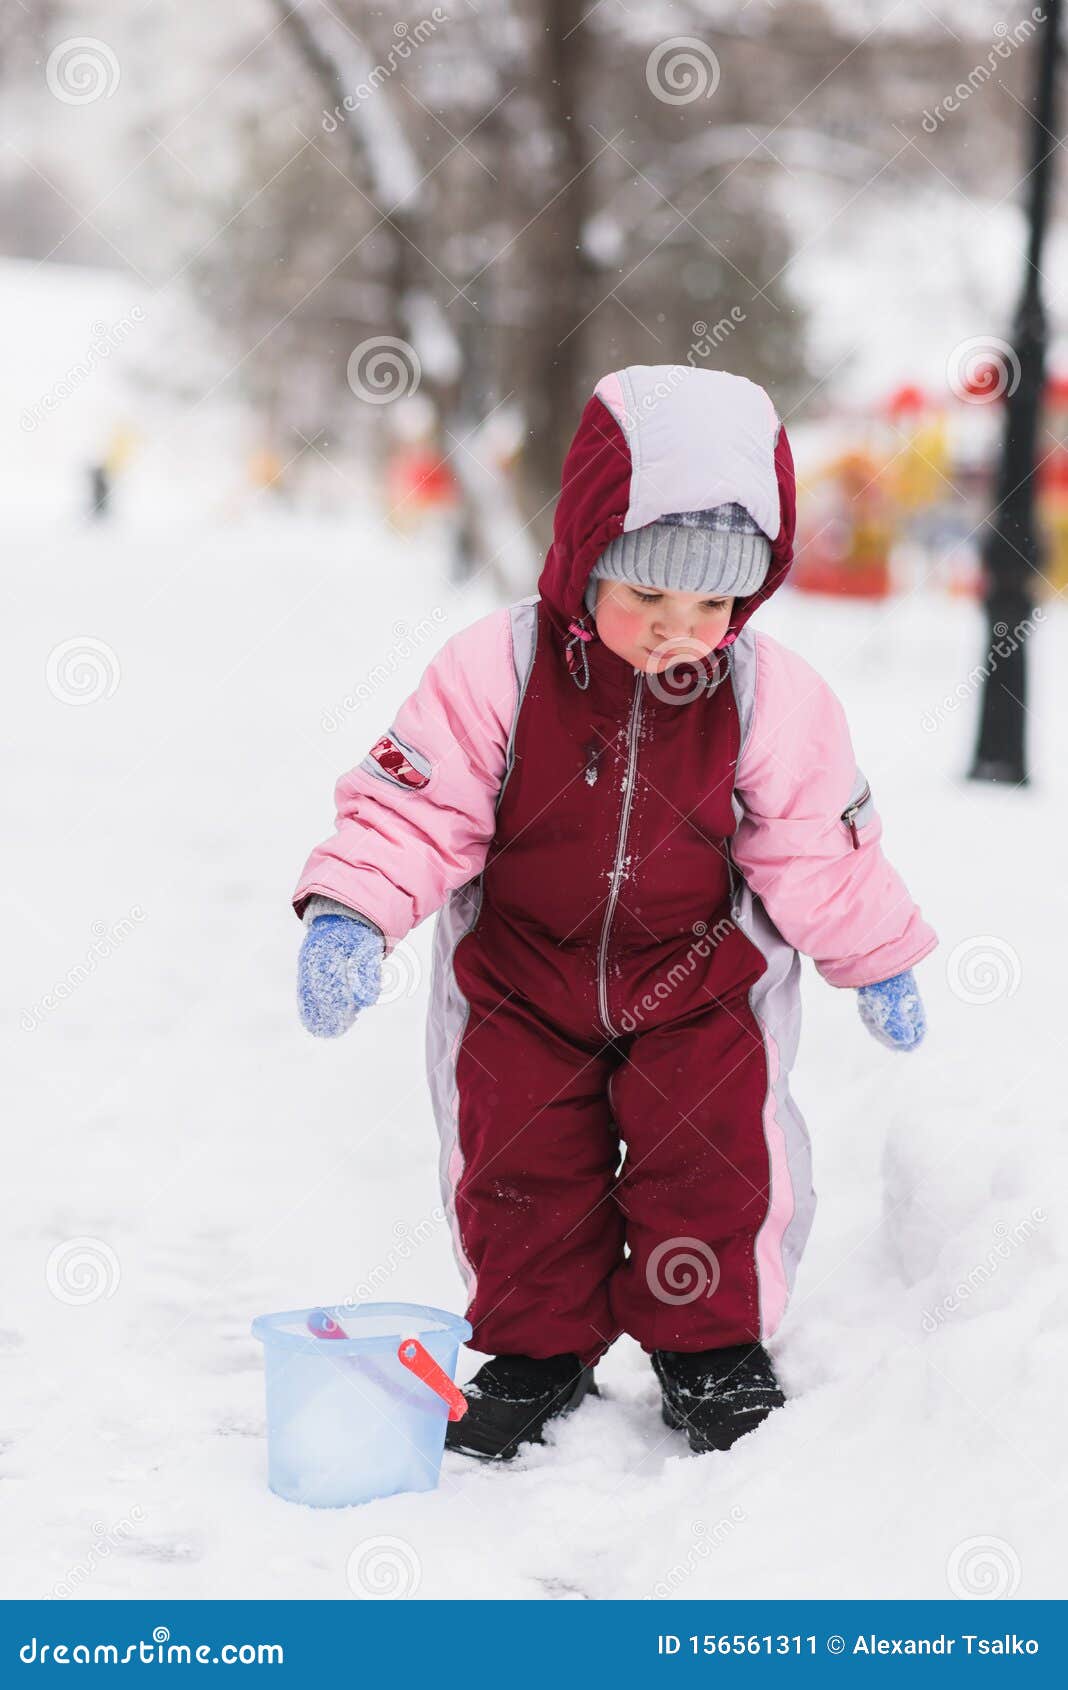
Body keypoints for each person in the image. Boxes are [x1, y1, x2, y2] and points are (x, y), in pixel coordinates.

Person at [291, 365, 937, 1463]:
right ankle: (539, 1349)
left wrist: (875, 955)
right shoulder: (497, 668)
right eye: (647, 598)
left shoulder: (766, 695)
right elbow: (416, 806)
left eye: (714, 606)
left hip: (699, 983)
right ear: (586, 556)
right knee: (521, 1165)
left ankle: (710, 1344)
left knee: (718, 1154)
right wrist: (353, 909)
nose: (678, 632)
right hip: (520, 980)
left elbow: (817, 839)